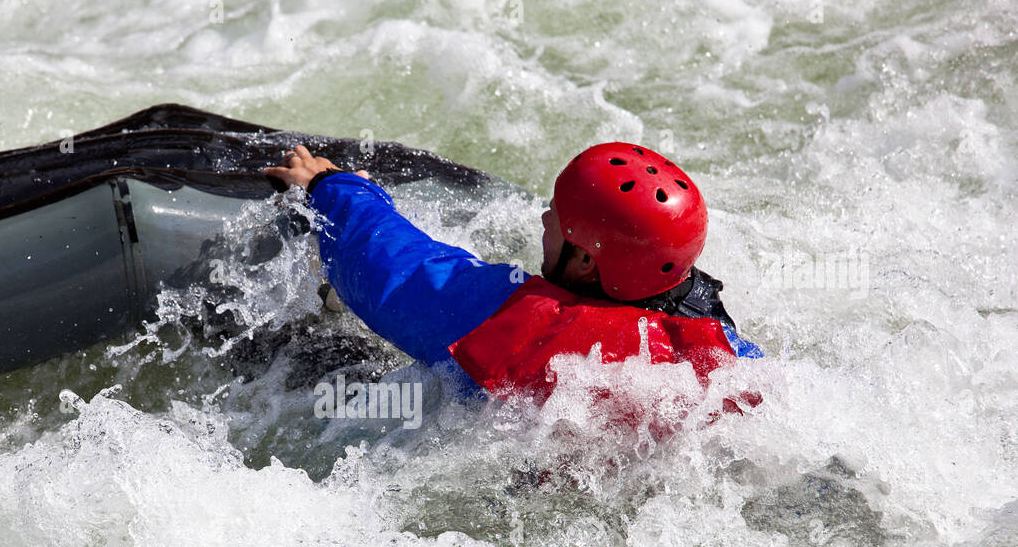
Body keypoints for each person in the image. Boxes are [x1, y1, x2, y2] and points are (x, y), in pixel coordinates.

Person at [262, 142, 761, 404]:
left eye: (558, 217)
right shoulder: (723, 345)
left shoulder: (526, 320)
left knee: (314, 359)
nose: (545, 219)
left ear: (587, 262)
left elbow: (398, 274)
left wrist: (331, 187)